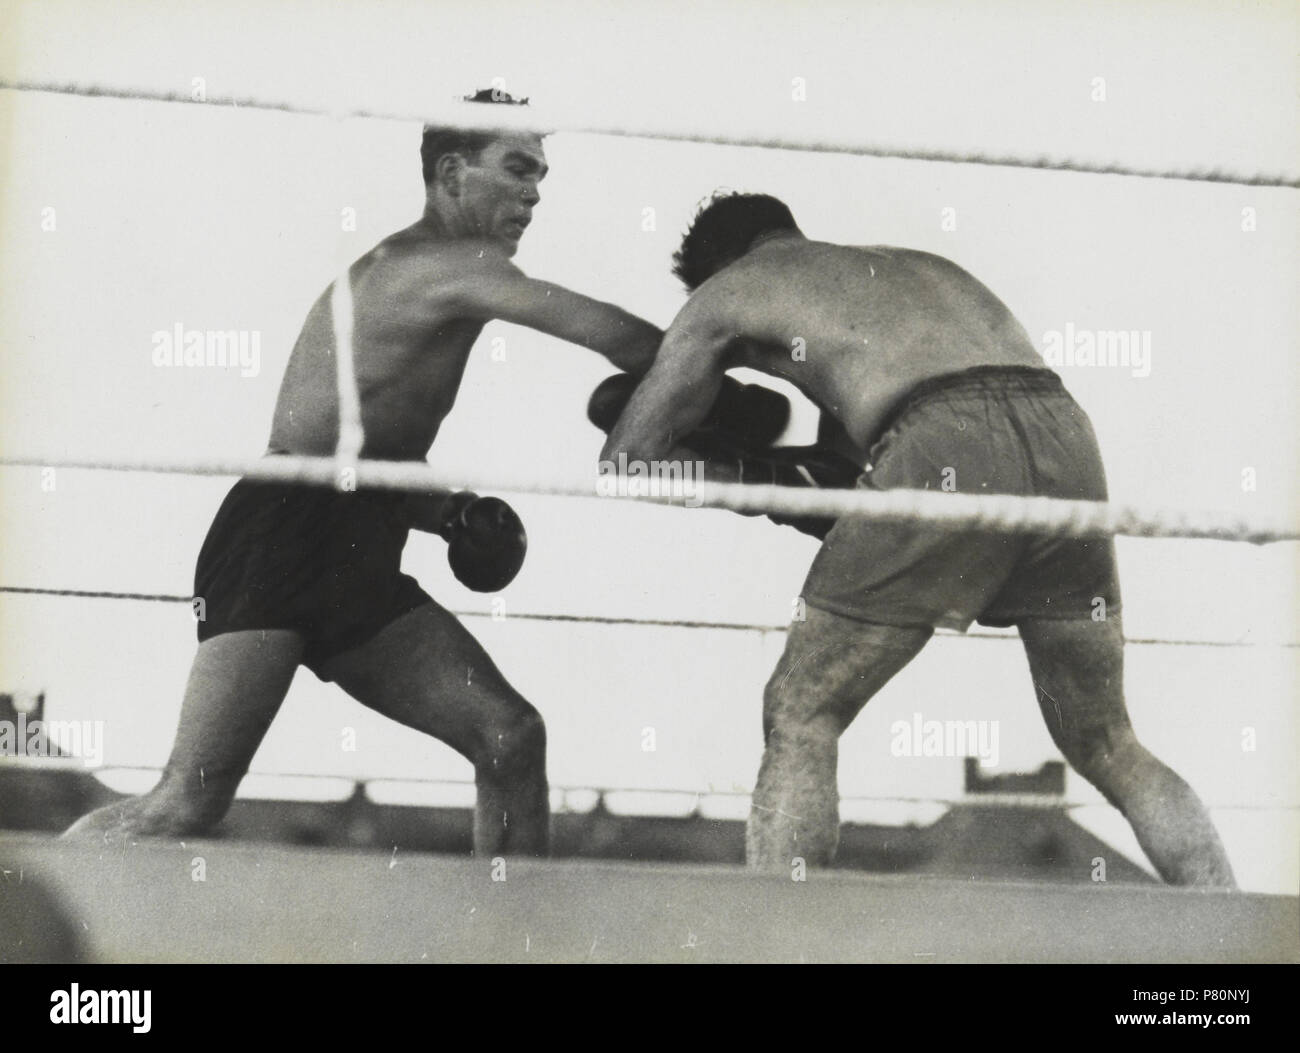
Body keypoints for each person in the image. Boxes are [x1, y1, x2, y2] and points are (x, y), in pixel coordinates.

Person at [65, 92, 663, 855]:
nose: (535, 191)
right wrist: (730, 358)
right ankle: (29, 913)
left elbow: (361, 449)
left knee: (510, 737)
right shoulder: (449, 262)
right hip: (286, 527)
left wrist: (450, 514)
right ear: (453, 171)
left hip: (358, 537)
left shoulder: (431, 275)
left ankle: (508, 945)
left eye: (542, 175)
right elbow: (616, 334)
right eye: (517, 168)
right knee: (187, 801)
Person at [597, 191, 1235, 886]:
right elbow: (848, 496)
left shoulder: (724, 293)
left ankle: (775, 937)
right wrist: (774, 477)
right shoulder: (907, 273)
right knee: (1107, 739)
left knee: (801, 711)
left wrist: (731, 460)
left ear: (715, 267)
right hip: (1064, 436)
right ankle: (1226, 924)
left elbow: (626, 462)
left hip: (941, 433)